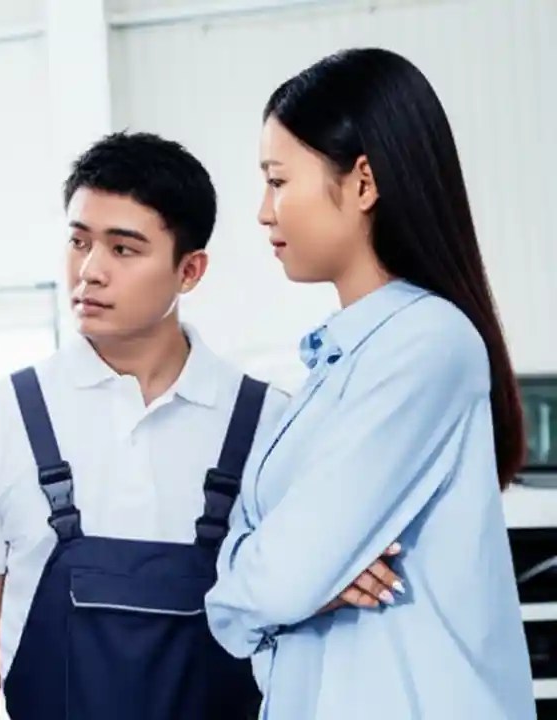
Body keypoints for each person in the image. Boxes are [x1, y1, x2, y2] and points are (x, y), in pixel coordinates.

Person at [203, 47, 535, 719]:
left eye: (277, 180)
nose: (264, 212)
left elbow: (279, 578)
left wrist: (272, 580)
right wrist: (270, 577)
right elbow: (259, 577)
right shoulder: (337, 360)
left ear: (362, 183)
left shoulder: (426, 346)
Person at [0, 131, 292, 720]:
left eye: (123, 249)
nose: (89, 272)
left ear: (190, 270)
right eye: (78, 241)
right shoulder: (2, 419)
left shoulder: (269, 425)